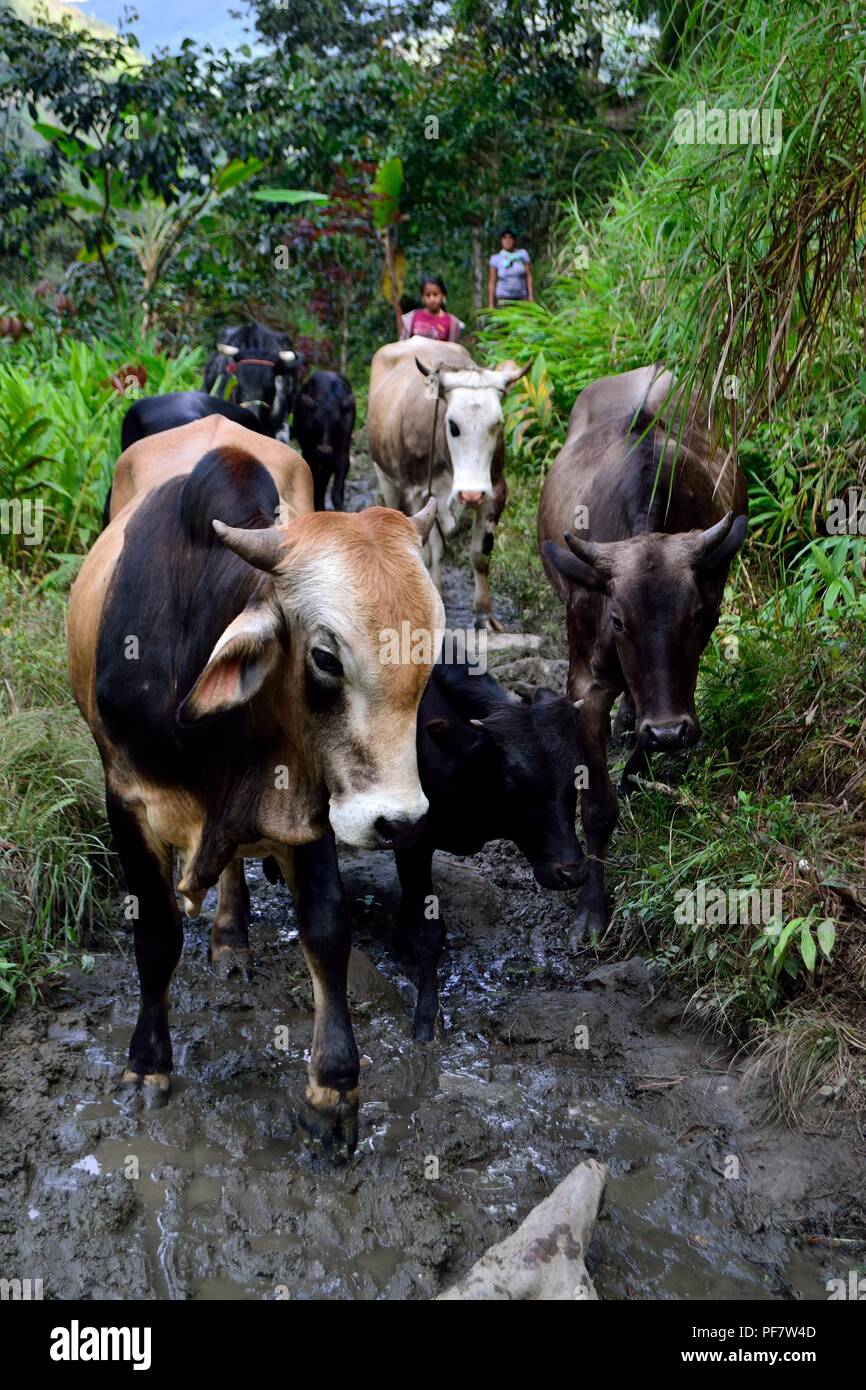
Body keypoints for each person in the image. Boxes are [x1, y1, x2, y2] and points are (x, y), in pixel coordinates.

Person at [400, 276, 465, 342]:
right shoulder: (412, 318)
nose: (432, 299)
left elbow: (453, 349)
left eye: (435, 294)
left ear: (443, 296)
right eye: (428, 295)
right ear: (422, 298)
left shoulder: (452, 323)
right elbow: (403, 345)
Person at [488, 229, 533, 308]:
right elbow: (492, 281)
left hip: (521, 297)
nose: (507, 241)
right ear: (501, 241)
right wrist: (491, 303)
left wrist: (530, 296)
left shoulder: (522, 254)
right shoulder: (495, 258)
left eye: (510, 238)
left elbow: (528, 275)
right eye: (504, 238)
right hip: (503, 297)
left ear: (514, 240)